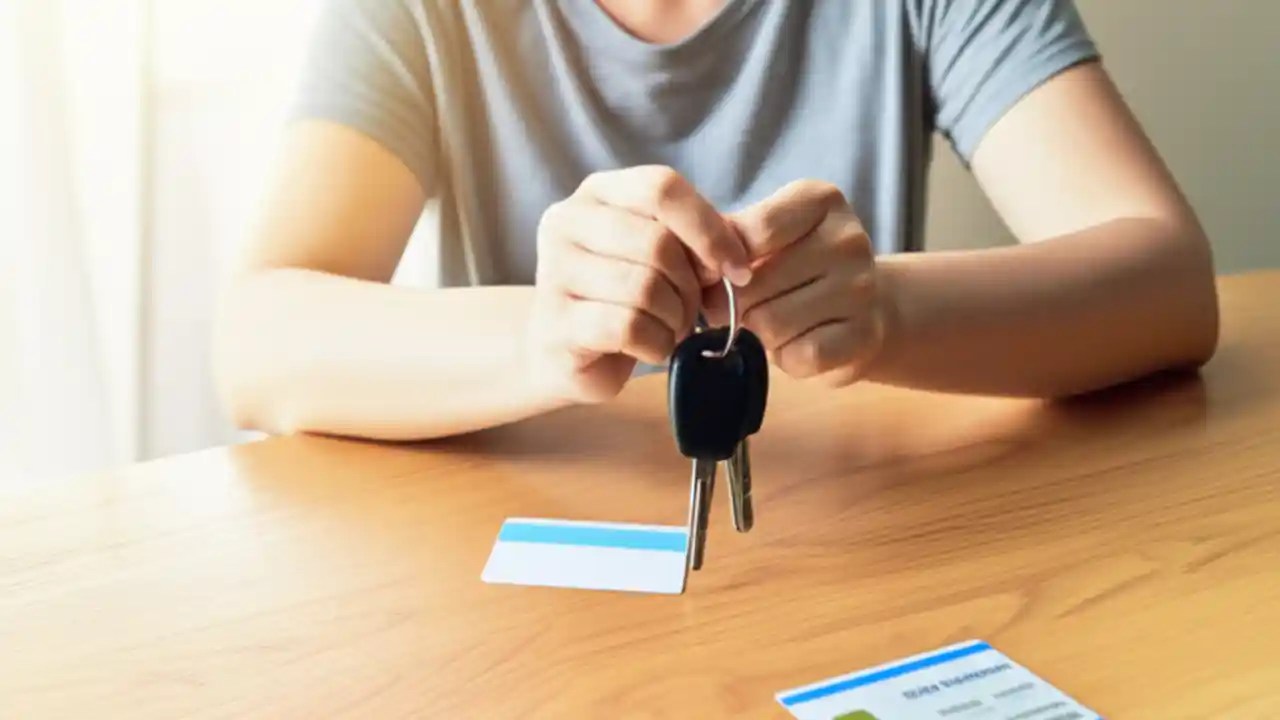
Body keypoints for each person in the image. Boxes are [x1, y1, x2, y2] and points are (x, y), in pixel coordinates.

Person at [213, 0, 1219, 441]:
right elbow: (256, 343)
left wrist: (888, 312)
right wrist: (539, 336)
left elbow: (1169, 284)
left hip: (866, 551)